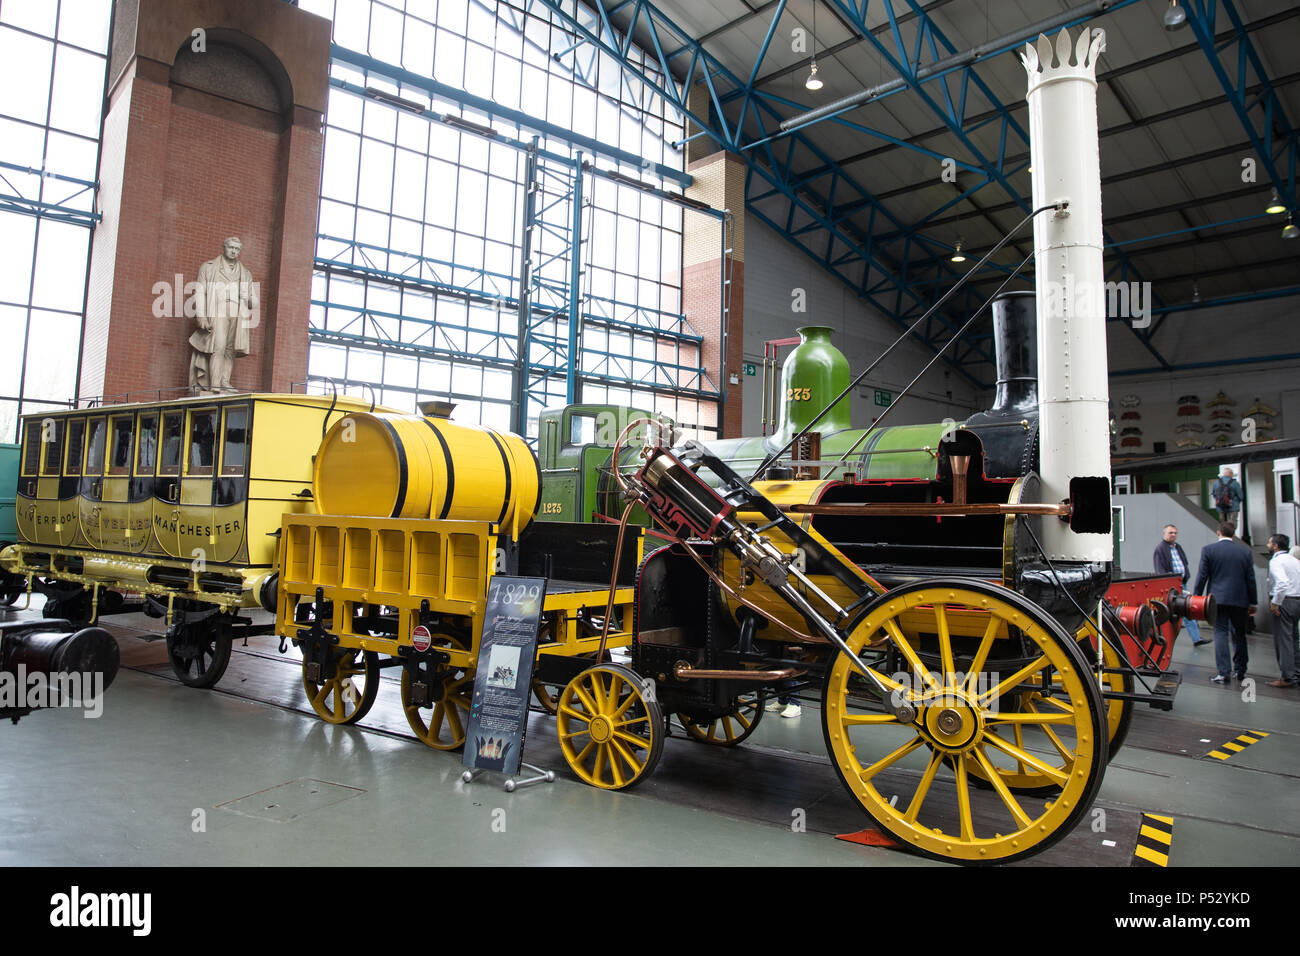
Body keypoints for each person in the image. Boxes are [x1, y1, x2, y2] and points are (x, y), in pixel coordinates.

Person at [189, 236, 258, 394]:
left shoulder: (245, 273)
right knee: (218, 346)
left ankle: (224, 381)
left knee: (230, 349)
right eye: (231, 247)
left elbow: (254, 302)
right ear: (224, 247)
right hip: (217, 309)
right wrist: (201, 316)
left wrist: (245, 296)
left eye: (237, 249)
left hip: (236, 312)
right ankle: (215, 383)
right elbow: (200, 293)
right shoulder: (208, 267)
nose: (234, 251)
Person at [1192, 521, 1257, 684]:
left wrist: (1197, 597)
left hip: (1217, 599)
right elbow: (1250, 579)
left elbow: (1202, 576)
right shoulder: (1245, 552)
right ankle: (1241, 670)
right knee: (1239, 634)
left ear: (1218, 532)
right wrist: (1253, 601)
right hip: (1240, 599)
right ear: (1233, 534)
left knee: (1220, 632)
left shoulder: (1209, 550)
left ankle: (1223, 672)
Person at [1152, 524, 1207, 646]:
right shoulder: (1160, 549)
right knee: (1183, 609)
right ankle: (1193, 638)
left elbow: (1183, 563)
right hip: (1171, 586)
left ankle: (1196, 638)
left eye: (1175, 533)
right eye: (1170, 533)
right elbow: (1159, 569)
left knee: (1185, 609)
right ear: (1164, 534)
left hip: (1182, 583)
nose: (1173, 535)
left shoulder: (1178, 547)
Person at [1265, 533, 1300, 688]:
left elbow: (1282, 583)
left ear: (1276, 546)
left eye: (1269, 543)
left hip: (1285, 601)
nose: (1268, 545)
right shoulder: (1294, 560)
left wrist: (1275, 602)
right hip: (1297, 600)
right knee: (1294, 639)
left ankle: (1287, 677)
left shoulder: (1276, 561)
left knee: (1283, 639)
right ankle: (1296, 672)